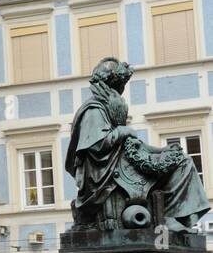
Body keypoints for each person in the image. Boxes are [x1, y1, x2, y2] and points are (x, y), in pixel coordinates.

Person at [66, 57, 210, 232]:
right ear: (111, 83)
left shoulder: (108, 104)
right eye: (120, 84)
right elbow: (96, 145)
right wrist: (122, 131)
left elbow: (132, 145)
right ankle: (170, 216)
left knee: (183, 162)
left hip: (124, 164)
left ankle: (173, 216)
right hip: (110, 174)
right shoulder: (94, 109)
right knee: (182, 164)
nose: (122, 89)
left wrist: (162, 151)